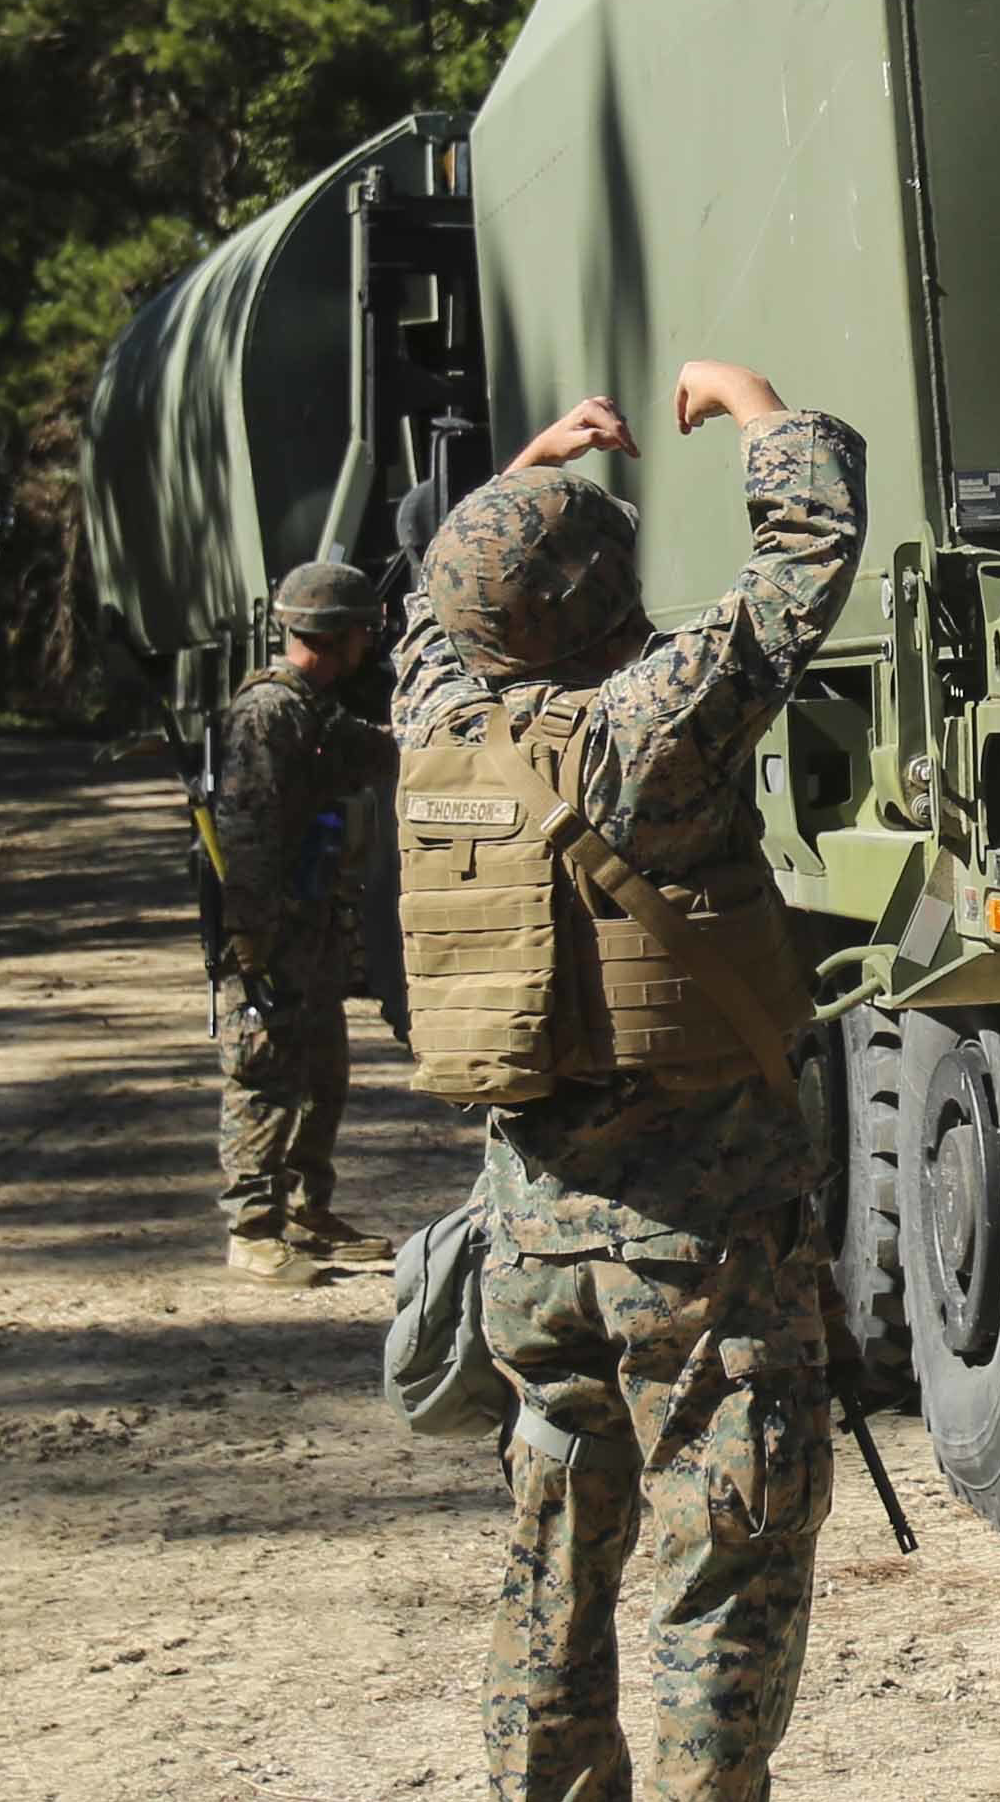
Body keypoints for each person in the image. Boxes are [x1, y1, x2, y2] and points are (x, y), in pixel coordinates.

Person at [398, 364, 863, 1802]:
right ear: (600, 592)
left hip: (528, 1245)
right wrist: (755, 404)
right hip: (695, 1251)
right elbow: (803, 563)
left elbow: (428, 609)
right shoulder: (645, 729)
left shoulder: (434, 725)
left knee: (551, 1560)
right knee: (725, 1564)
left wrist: (518, 475)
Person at [213, 555, 394, 1283]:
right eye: (362, 632)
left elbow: (372, 753)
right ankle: (252, 1228)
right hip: (269, 934)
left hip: (306, 927)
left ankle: (303, 1210)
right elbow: (247, 834)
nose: (368, 644)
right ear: (335, 634)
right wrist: (250, 942)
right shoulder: (267, 713)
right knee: (263, 1074)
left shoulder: (310, 709)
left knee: (322, 1072)